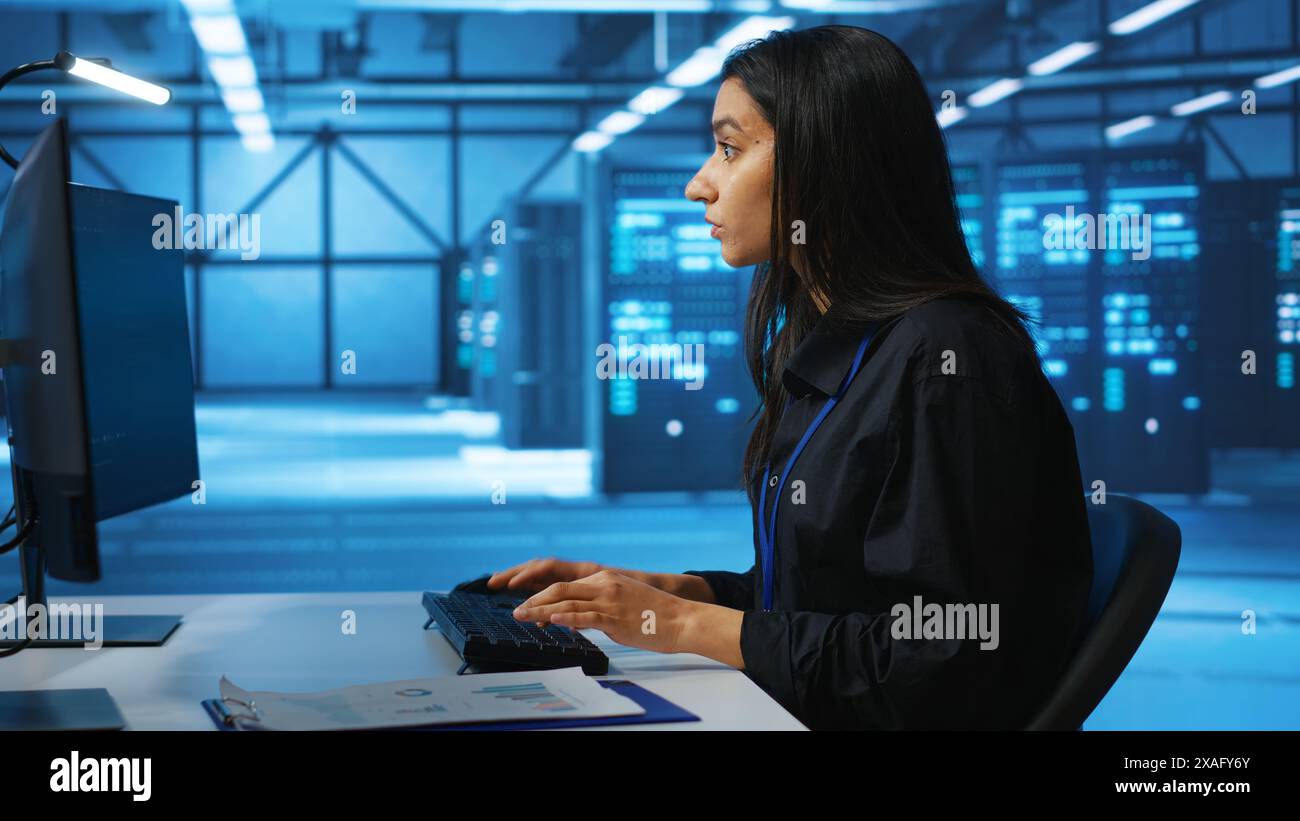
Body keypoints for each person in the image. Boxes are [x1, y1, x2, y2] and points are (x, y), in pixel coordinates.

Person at [491, 24, 1094, 730]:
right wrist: (667, 590)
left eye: (728, 148)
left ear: (825, 161)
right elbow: (825, 601)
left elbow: (935, 657)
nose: (698, 185)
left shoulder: (947, 361)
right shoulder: (841, 344)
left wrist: (683, 624)